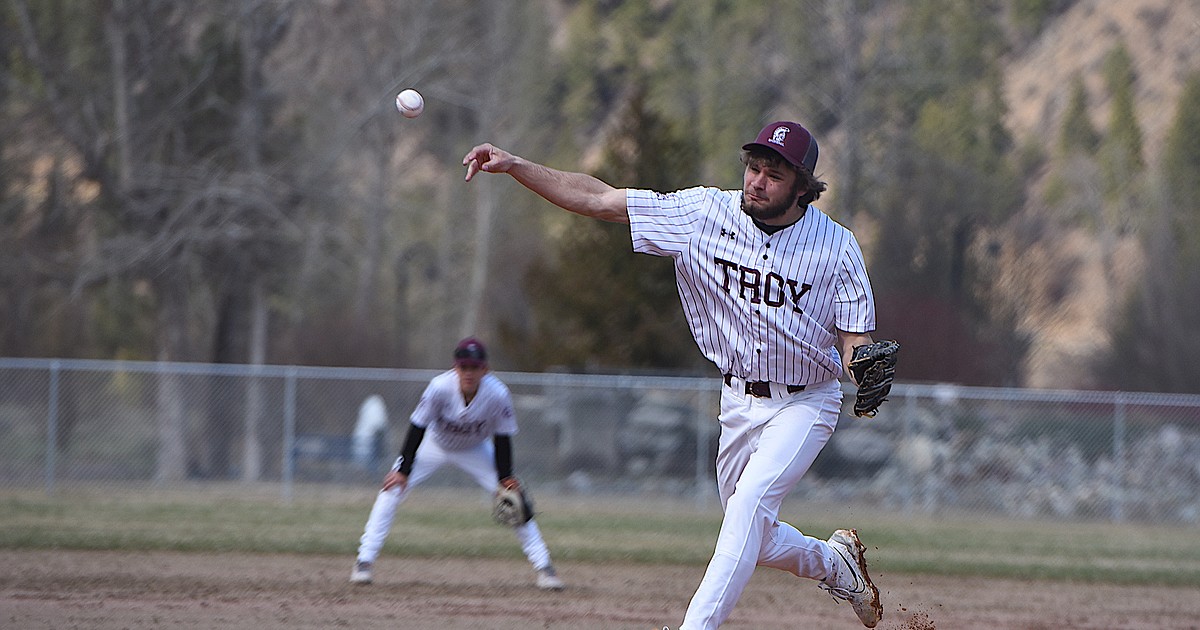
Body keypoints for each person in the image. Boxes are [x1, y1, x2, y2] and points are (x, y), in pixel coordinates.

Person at [462, 121, 883, 629]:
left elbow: (855, 340)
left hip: (806, 400)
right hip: (737, 400)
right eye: (754, 167)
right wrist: (517, 166)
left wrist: (865, 366)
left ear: (802, 187)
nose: (756, 181)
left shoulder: (836, 248)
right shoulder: (703, 213)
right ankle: (836, 566)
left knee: (748, 506)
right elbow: (601, 200)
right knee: (749, 529)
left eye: (774, 175)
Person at [350, 337, 565, 591]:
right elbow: (418, 425)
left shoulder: (497, 394)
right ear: (455, 367)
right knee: (391, 489)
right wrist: (404, 470)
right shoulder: (439, 387)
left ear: (485, 369)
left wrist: (505, 477)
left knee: (515, 500)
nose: (469, 373)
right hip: (434, 445)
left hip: (475, 449)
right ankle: (364, 561)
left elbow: (503, 437)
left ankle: (544, 568)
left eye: (474, 367)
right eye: (464, 367)